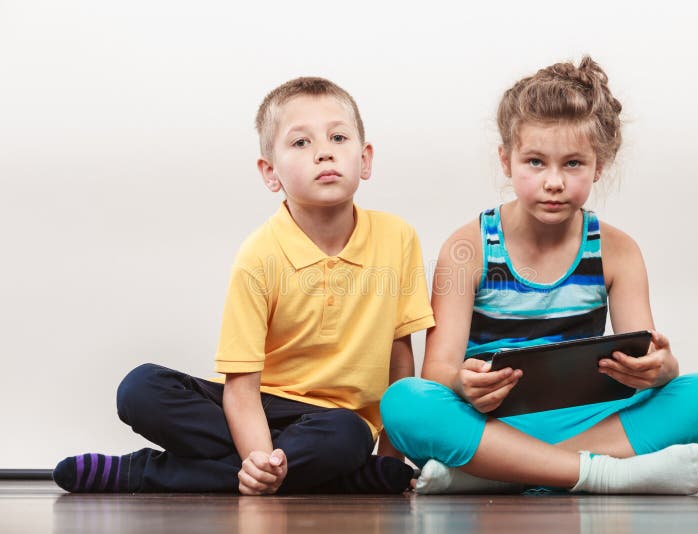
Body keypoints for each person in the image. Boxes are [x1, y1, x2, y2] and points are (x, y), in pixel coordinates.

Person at [53, 77, 434, 494]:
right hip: (255, 406)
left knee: (345, 436)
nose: (324, 151)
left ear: (365, 159)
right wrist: (257, 459)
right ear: (270, 173)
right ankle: (331, 477)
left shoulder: (397, 238)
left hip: (333, 422)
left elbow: (401, 356)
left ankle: (145, 473)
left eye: (338, 137)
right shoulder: (259, 255)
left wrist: (389, 456)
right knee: (140, 388)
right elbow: (242, 386)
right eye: (301, 143)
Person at [380, 57, 698, 495]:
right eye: (535, 162)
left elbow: (641, 353)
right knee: (404, 403)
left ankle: (496, 474)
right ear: (506, 161)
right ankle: (602, 472)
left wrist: (661, 370)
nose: (554, 182)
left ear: (599, 166)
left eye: (573, 164)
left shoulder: (617, 251)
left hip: (583, 415)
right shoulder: (467, 247)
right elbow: (438, 371)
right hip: (491, 418)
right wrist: (462, 384)